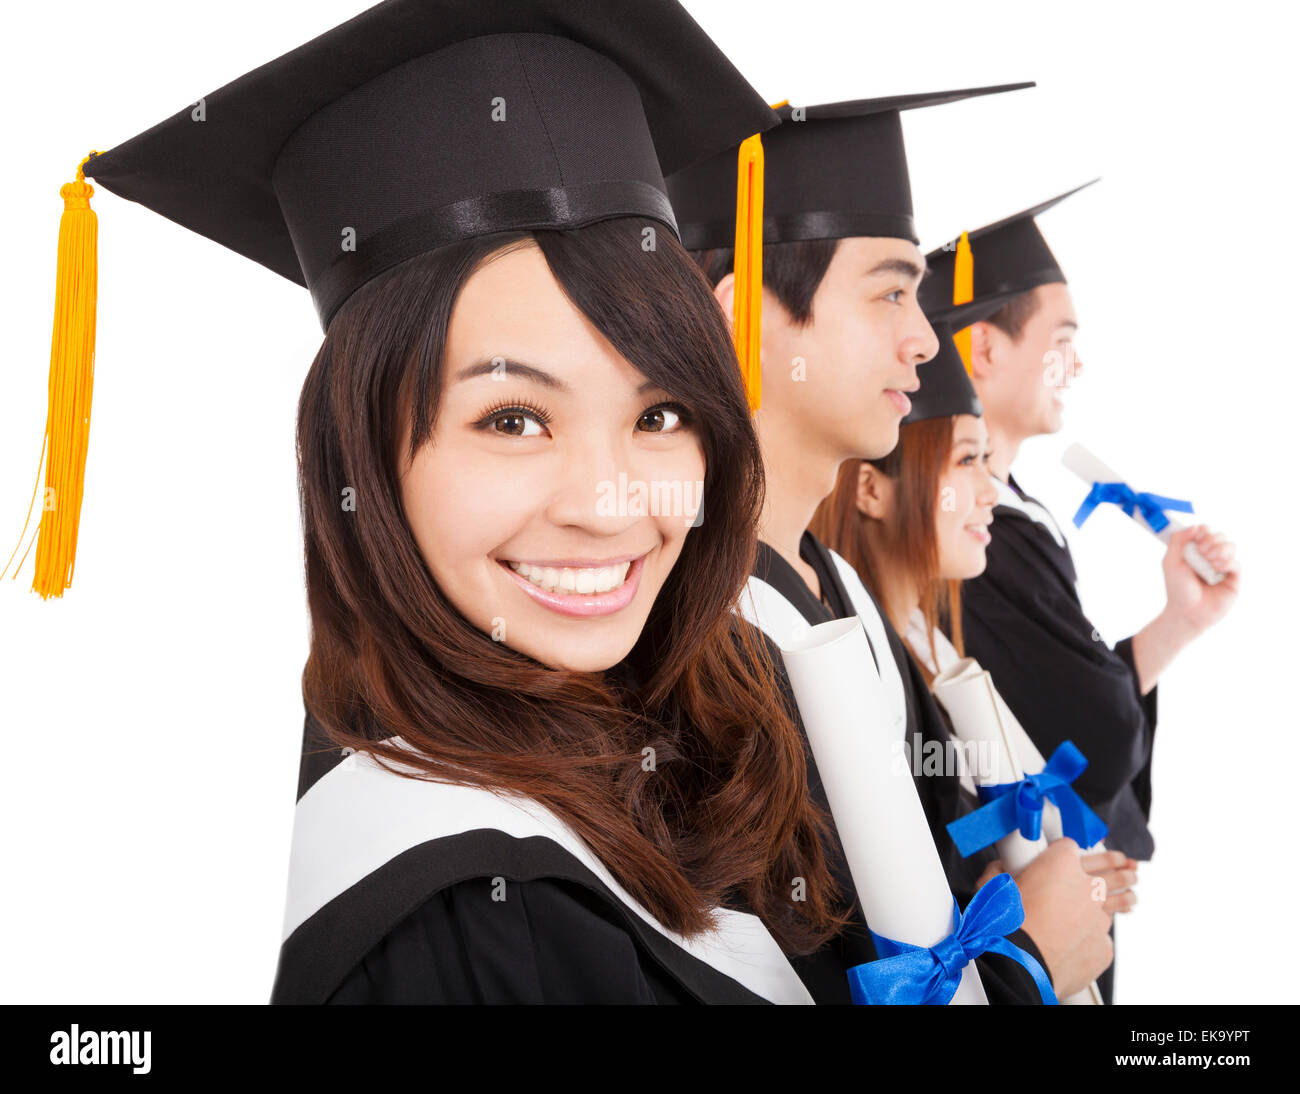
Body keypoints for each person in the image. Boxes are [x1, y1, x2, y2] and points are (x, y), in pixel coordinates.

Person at [32, 0, 879, 1004]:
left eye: (658, 413)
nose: (608, 505)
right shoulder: (468, 926)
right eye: (513, 418)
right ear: (364, 457)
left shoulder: (686, 729)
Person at [668, 90, 1115, 1002]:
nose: (923, 339)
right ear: (739, 319)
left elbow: (931, 849)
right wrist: (1026, 964)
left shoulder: (836, 582)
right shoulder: (684, 630)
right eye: (891, 292)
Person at [919, 187, 1241, 1000]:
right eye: (1062, 341)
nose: (1079, 364)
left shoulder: (1007, 509)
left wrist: (1177, 624)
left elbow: (1072, 697)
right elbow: (1088, 727)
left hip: (1057, 886)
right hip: (1019, 905)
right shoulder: (964, 528)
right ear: (984, 348)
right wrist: (1107, 697)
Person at [808, 296, 1136, 988]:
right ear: (870, 489)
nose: (990, 492)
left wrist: (1061, 875)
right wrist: (1030, 902)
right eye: (966, 463)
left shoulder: (937, 645)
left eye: (990, 463)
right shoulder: (844, 663)